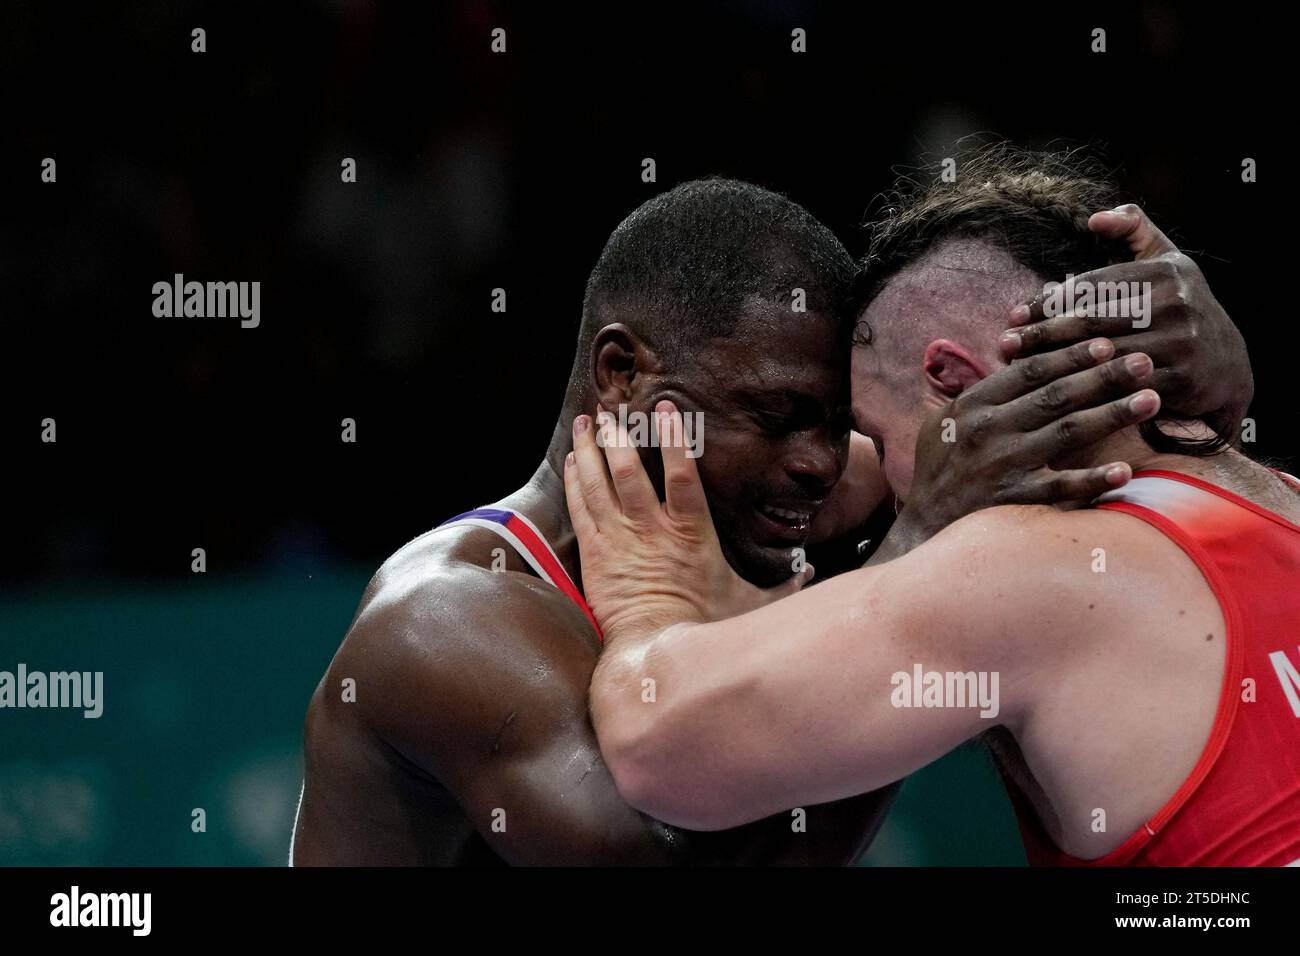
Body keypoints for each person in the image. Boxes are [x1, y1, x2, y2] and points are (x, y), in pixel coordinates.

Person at [294, 175, 1246, 865]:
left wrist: (1222, 380)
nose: (822, 462)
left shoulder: (766, 504)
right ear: (624, 376)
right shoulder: (449, 620)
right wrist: (919, 564)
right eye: (780, 416)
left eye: (841, 424)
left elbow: (1048, 444)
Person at [569, 149, 1296, 865]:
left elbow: (655, 750)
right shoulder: (1278, 498)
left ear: (950, 378)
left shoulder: (1027, 564)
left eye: (874, 437)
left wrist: (648, 601)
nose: (876, 479)